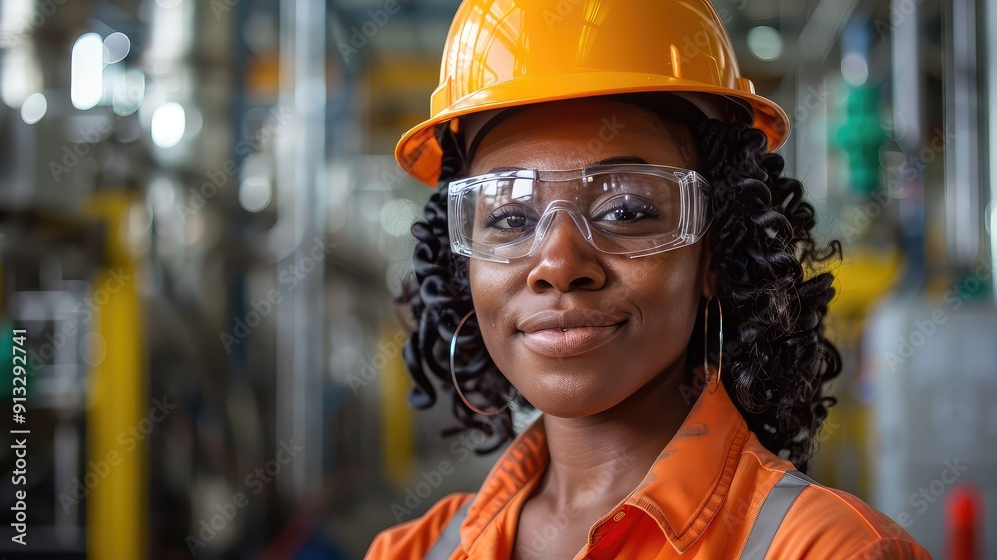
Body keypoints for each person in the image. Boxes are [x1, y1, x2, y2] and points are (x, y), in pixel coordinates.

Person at [367, 0, 933, 558]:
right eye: (511, 218)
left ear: (715, 254)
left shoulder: (831, 549)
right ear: (463, 266)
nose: (559, 266)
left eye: (625, 211)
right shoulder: (411, 551)